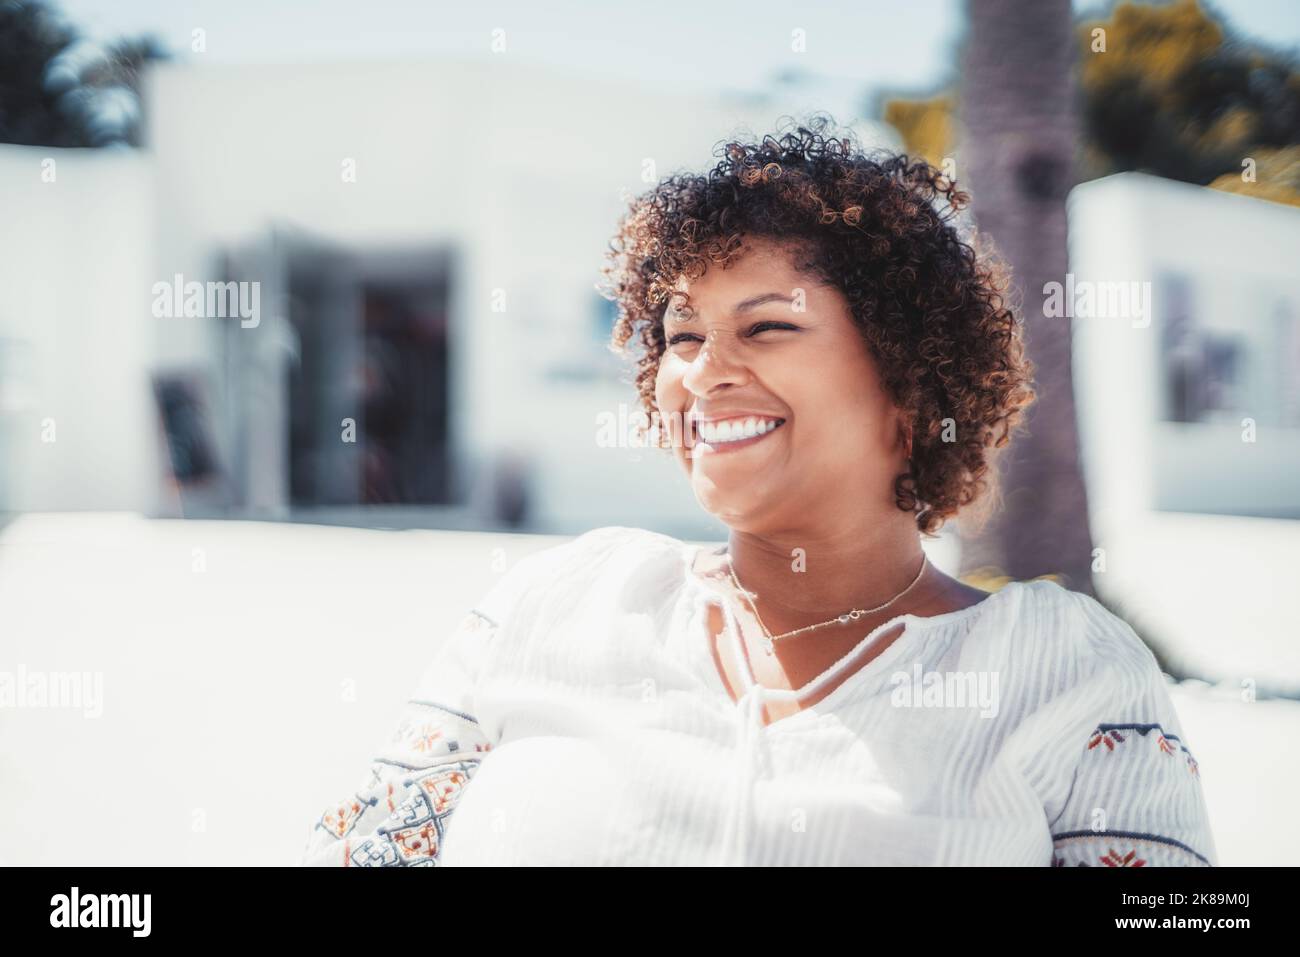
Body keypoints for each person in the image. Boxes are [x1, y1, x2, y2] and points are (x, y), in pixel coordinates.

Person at [300, 118, 1217, 867]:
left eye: (768, 325)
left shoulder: (1065, 672)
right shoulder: (555, 605)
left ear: (910, 384)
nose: (703, 373)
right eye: (682, 334)